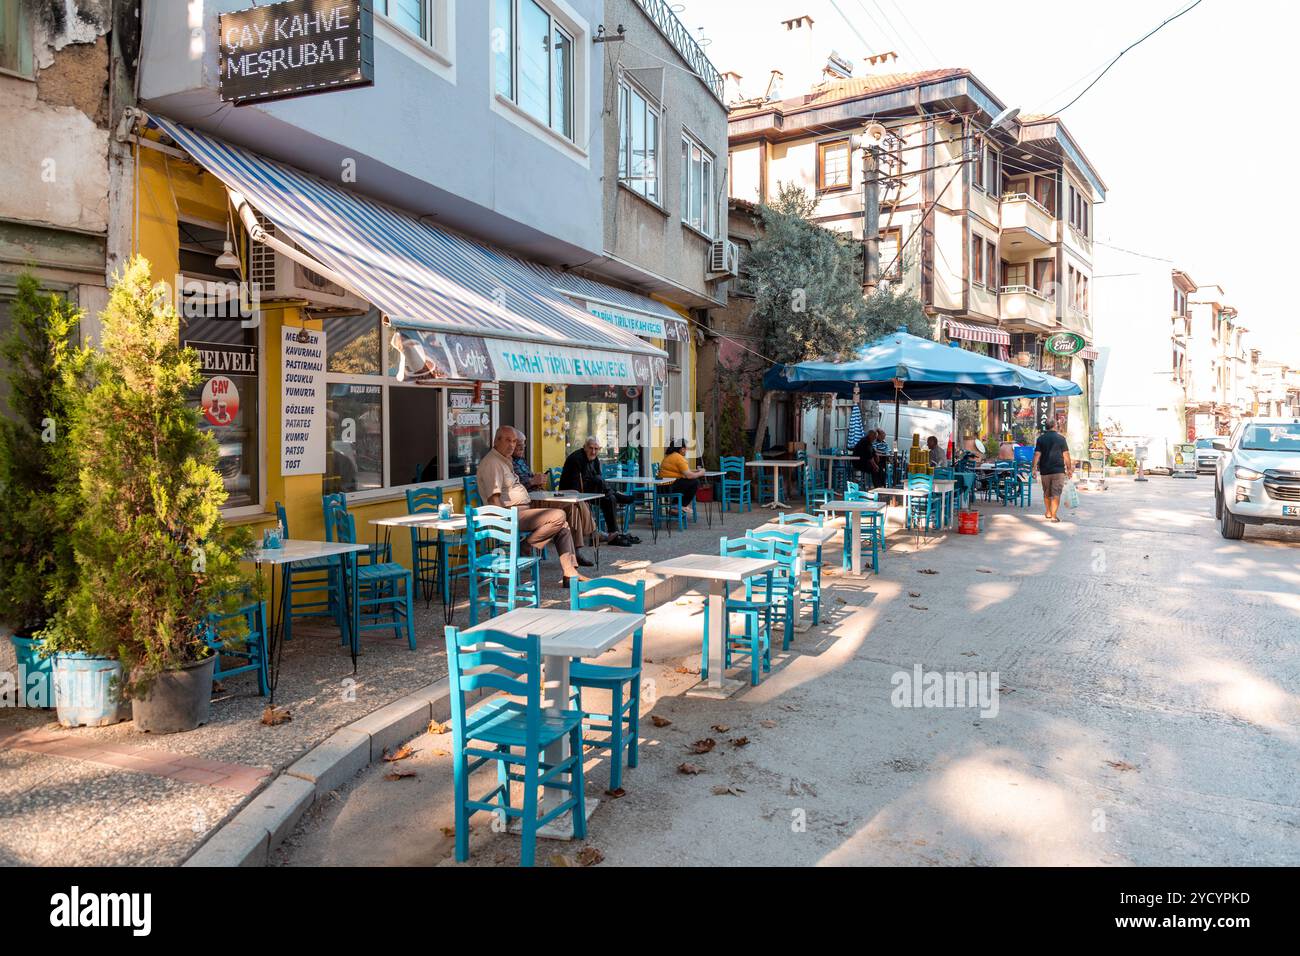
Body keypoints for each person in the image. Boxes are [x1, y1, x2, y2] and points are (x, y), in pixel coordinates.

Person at [477, 426, 588, 584]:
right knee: (558, 515)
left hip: (522, 512)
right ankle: (527, 545)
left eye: (514, 441)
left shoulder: (504, 460)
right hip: (510, 515)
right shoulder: (492, 463)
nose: (512, 445)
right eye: (508, 440)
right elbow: (494, 499)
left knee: (563, 526)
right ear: (496, 441)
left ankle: (570, 573)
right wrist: (506, 524)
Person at [559, 436, 636, 542]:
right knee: (602, 486)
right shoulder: (576, 459)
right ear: (584, 447)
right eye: (591, 448)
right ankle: (616, 494)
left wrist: (598, 485)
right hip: (573, 494)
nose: (593, 452)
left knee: (610, 498)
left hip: (590, 492)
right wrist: (596, 483)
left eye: (596, 449)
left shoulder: (594, 459)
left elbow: (598, 477)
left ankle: (613, 533)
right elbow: (575, 485)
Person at [1031, 420, 1073, 522]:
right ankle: (1054, 516)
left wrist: (1033, 468)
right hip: (1058, 471)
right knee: (1056, 493)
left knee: (1046, 493)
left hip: (1045, 471)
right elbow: (1066, 455)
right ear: (1055, 426)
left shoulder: (1041, 439)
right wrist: (1069, 469)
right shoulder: (1061, 439)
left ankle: (1048, 512)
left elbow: (1037, 454)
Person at [658, 439, 705, 509]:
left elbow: (684, 472)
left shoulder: (668, 456)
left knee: (687, 482)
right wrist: (701, 473)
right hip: (669, 487)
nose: (686, 450)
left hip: (661, 488)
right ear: (682, 449)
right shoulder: (678, 458)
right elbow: (689, 475)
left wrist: (694, 473)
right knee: (695, 482)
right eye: (686, 449)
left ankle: (676, 505)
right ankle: (680, 506)